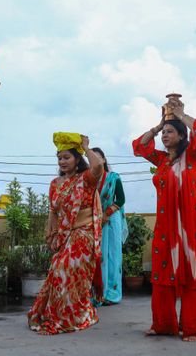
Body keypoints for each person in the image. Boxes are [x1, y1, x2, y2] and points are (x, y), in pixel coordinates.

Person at [132, 97, 196, 341]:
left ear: (182, 136)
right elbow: (139, 146)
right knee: (160, 276)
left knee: (189, 275)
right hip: (164, 228)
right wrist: (159, 125)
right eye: (164, 133)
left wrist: (180, 115)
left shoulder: (191, 157)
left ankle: (192, 328)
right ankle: (163, 325)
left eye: (170, 133)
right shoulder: (161, 160)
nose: (164, 136)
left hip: (189, 229)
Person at [27, 132, 104, 335]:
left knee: (64, 271)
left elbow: (98, 167)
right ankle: (78, 312)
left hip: (84, 234)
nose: (62, 161)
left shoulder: (86, 179)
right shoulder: (55, 184)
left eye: (67, 157)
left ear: (77, 159)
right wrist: (51, 235)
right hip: (64, 235)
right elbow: (53, 212)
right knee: (56, 273)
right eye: (59, 157)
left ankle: (64, 320)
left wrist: (86, 147)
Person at [91, 147, 128, 306]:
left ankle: (112, 294)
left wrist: (106, 214)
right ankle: (97, 293)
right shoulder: (87, 180)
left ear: (104, 160)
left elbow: (121, 199)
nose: (96, 162)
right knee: (97, 258)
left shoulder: (113, 178)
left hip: (111, 221)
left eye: (98, 158)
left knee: (112, 257)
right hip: (93, 222)